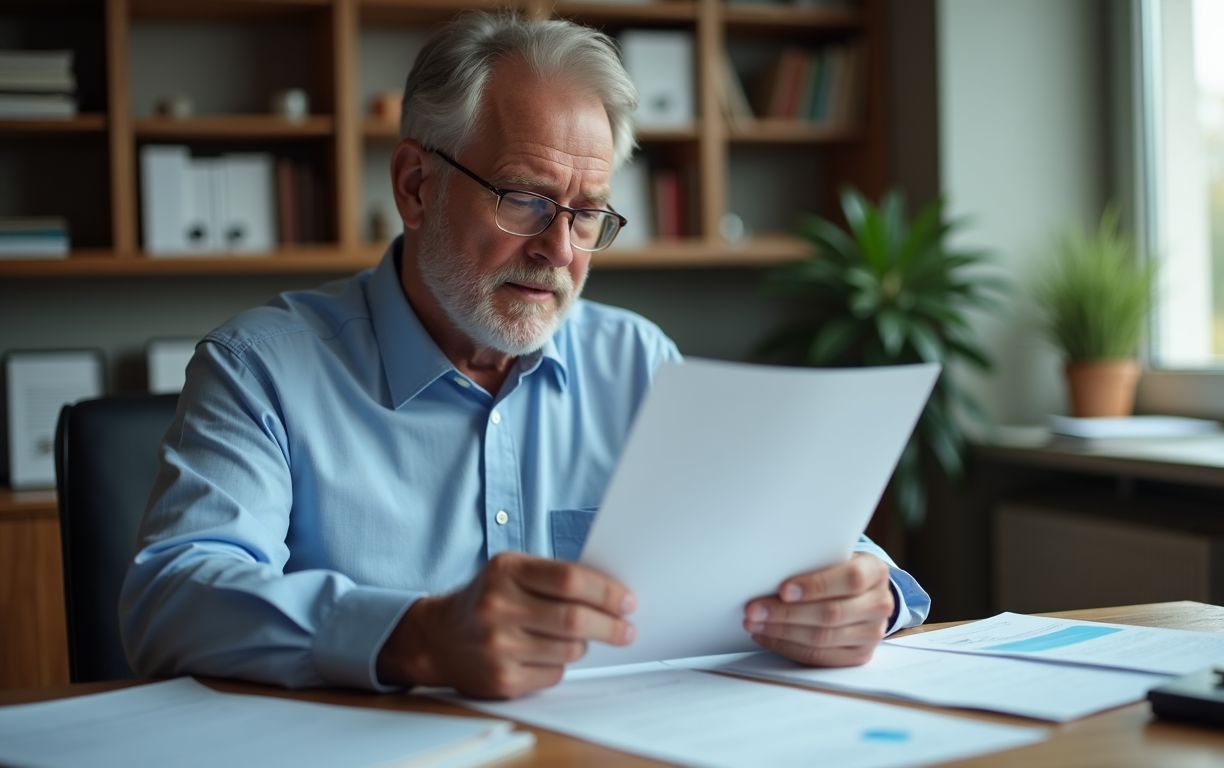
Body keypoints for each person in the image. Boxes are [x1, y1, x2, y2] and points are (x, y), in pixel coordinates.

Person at [120, 11, 930, 699]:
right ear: (414, 186)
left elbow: (787, 534)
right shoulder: (260, 367)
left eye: (586, 215)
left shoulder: (636, 360)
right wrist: (418, 636)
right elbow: (173, 599)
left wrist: (869, 595)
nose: (558, 250)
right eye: (525, 199)